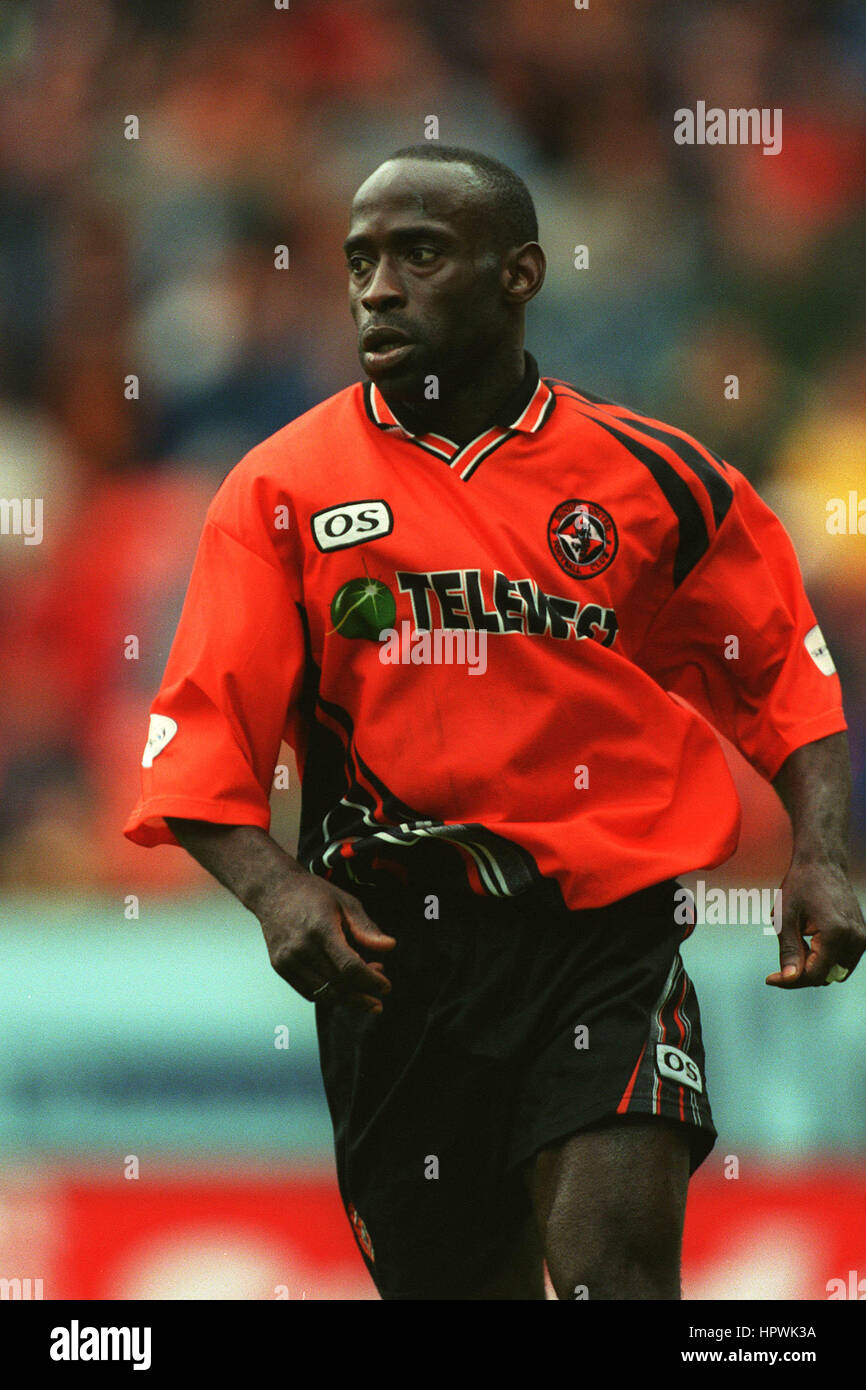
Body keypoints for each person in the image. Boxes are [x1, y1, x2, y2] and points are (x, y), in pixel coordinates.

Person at [124, 145, 865, 1301]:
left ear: (518, 272)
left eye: (418, 253)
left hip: (599, 944)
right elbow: (194, 753)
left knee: (610, 1273)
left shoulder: (654, 477)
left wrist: (820, 850)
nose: (377, 286)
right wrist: (279, 891)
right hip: (395, 969)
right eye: (360, 260)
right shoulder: (277, 493)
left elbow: (785, 673)